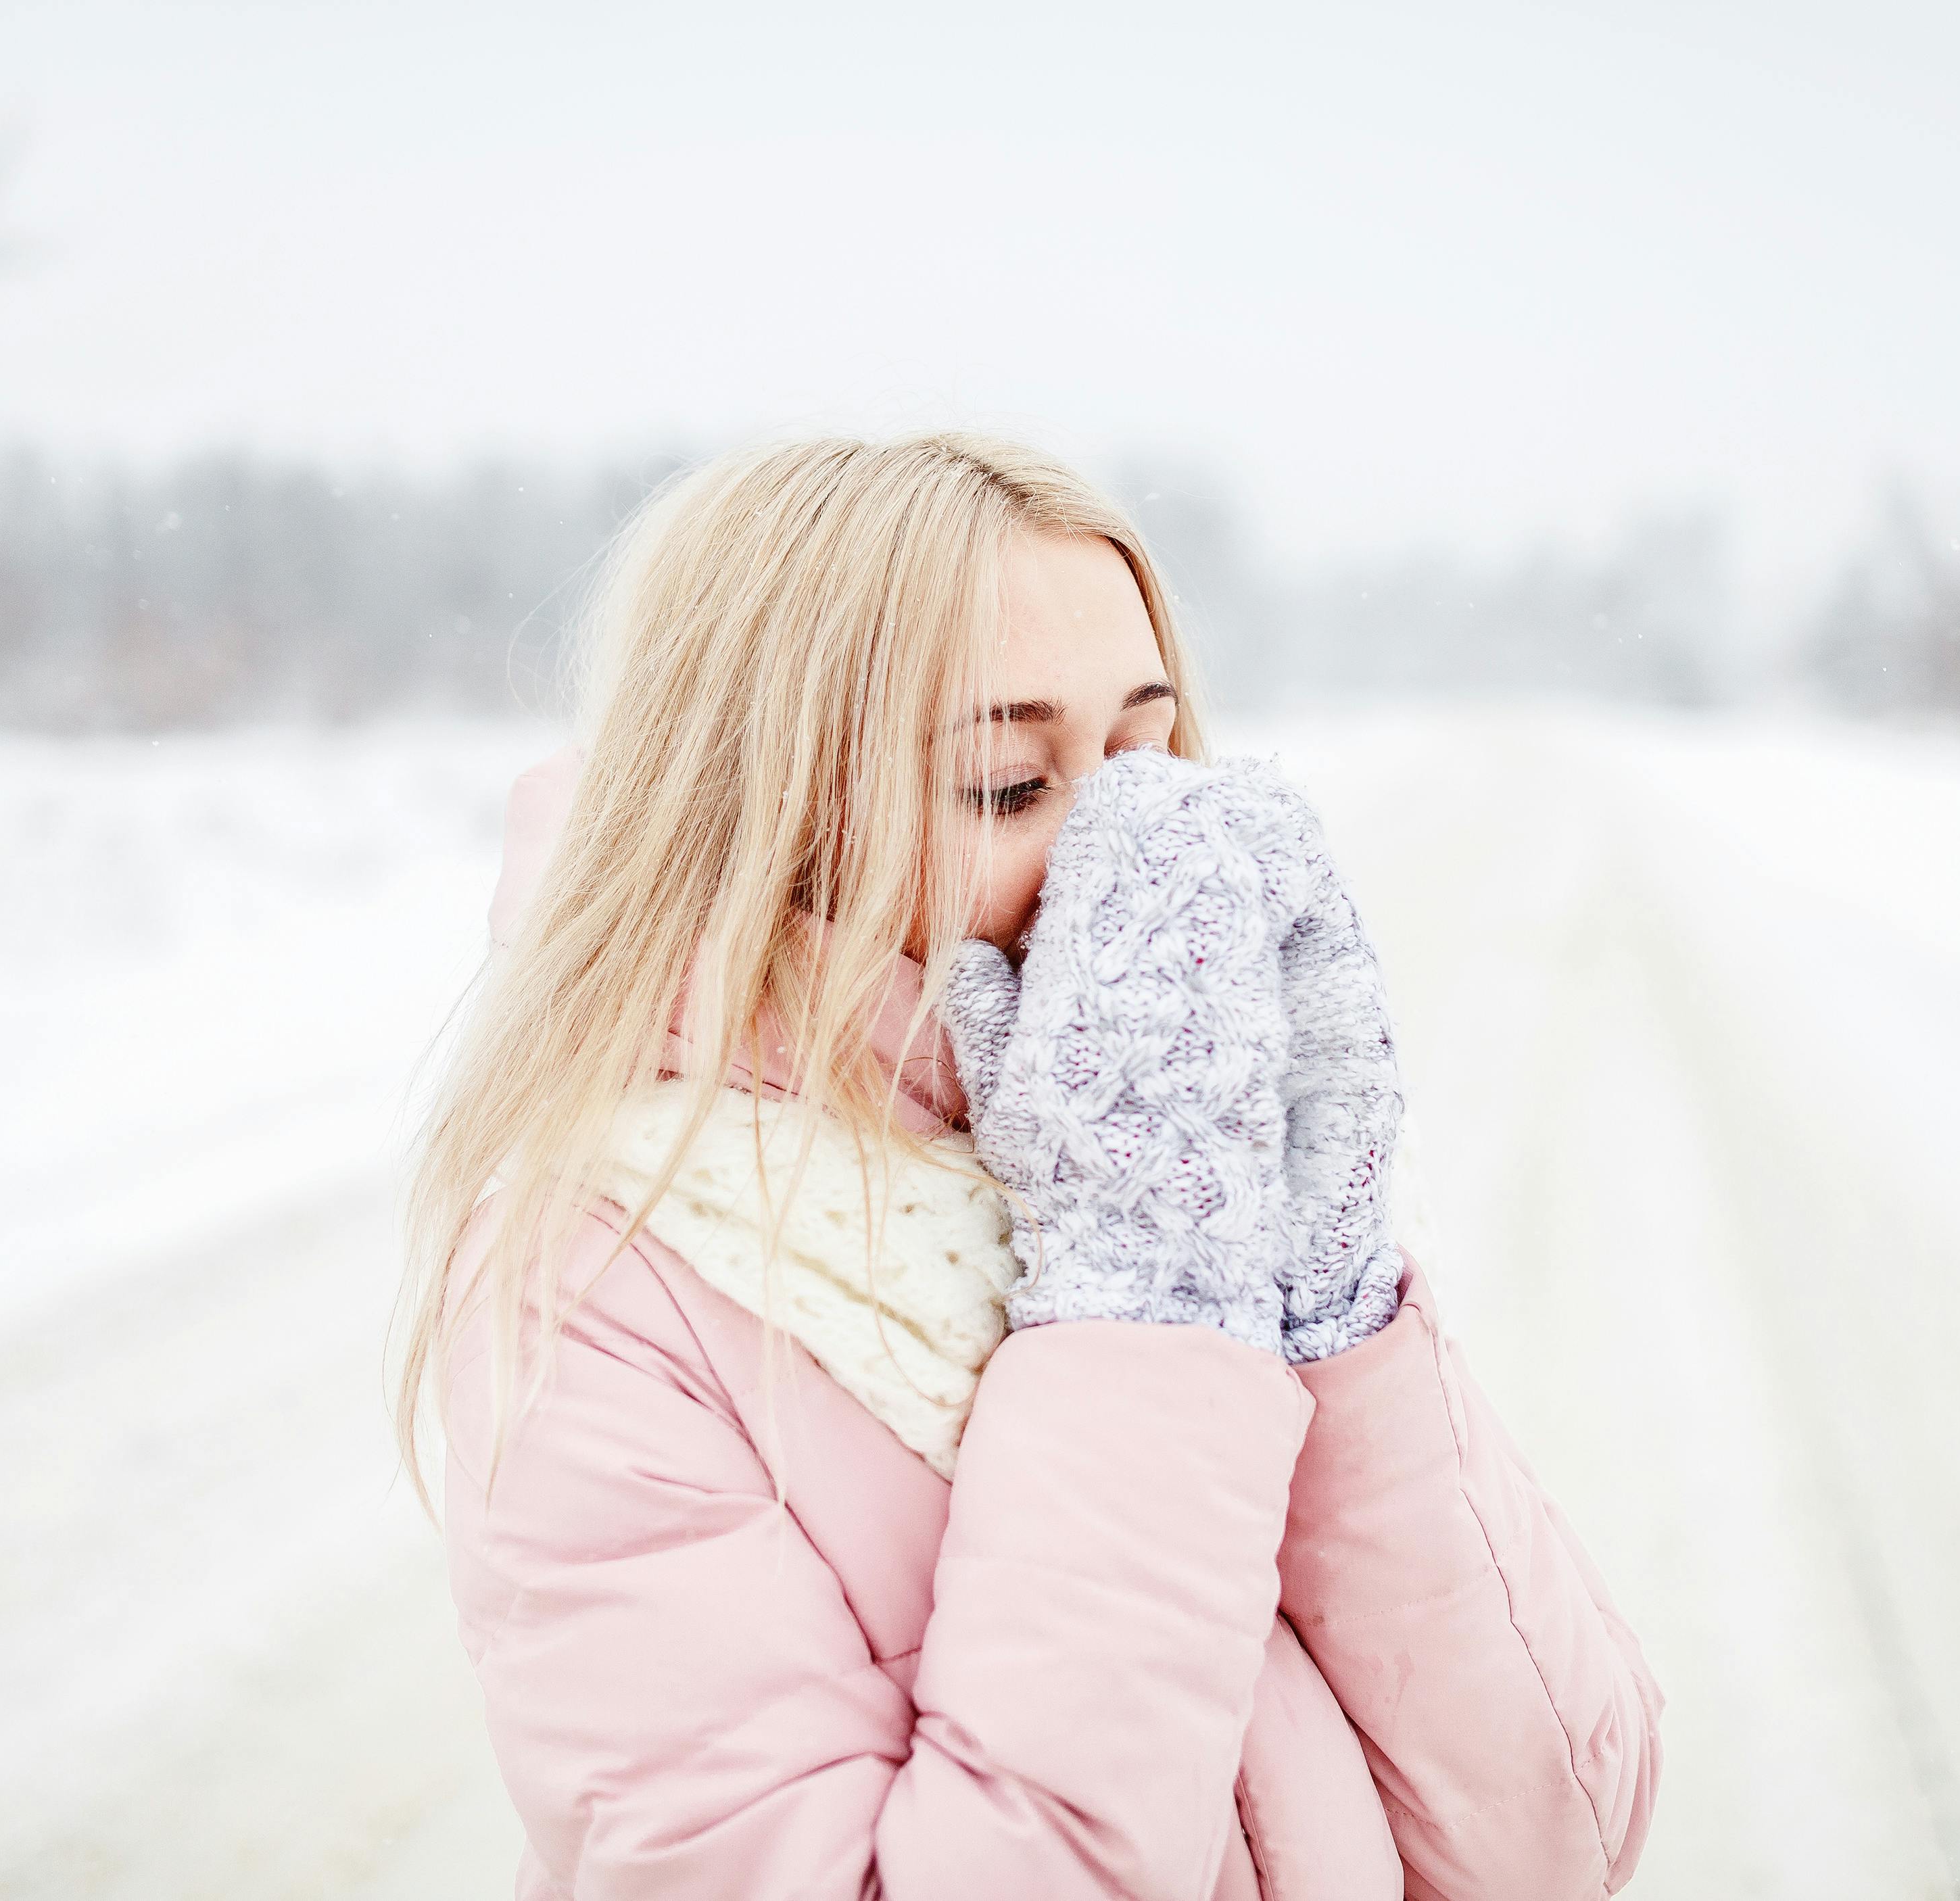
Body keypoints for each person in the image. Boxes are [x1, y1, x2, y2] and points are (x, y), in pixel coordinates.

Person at [395, 433, 1660, 1899]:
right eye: (1008, 783)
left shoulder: (1176, 1148)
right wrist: (1144, 1307)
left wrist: (1324, 1294)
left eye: (1146, 755)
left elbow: (1555, 1830)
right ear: (763, 825)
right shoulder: (603, 1279)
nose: (1133, 852)